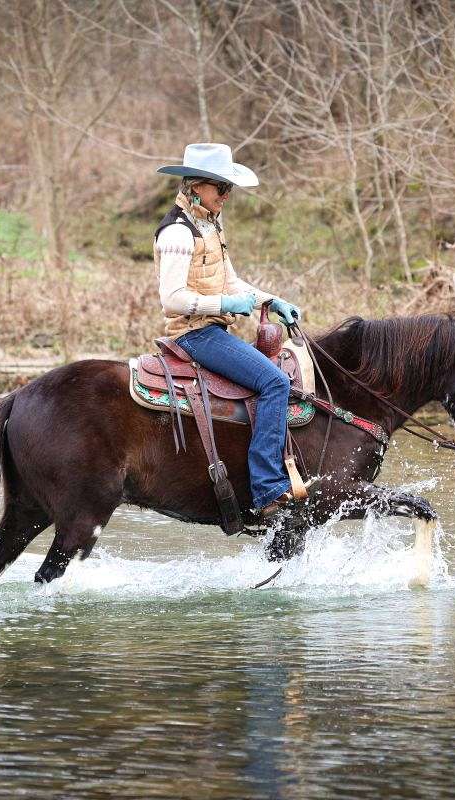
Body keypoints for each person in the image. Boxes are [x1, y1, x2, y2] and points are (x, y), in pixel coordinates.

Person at [154, 143, 303, 520]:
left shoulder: (210, 224)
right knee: (275, 384)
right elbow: (172, 298)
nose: (226, 196)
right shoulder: (176, 233)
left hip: (213, 330)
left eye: (228, 189)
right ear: (196, 187)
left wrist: (270, 300)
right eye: (221, 188)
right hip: (194, 334)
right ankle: (269, 489)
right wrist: (222, 306)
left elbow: (231, 282)